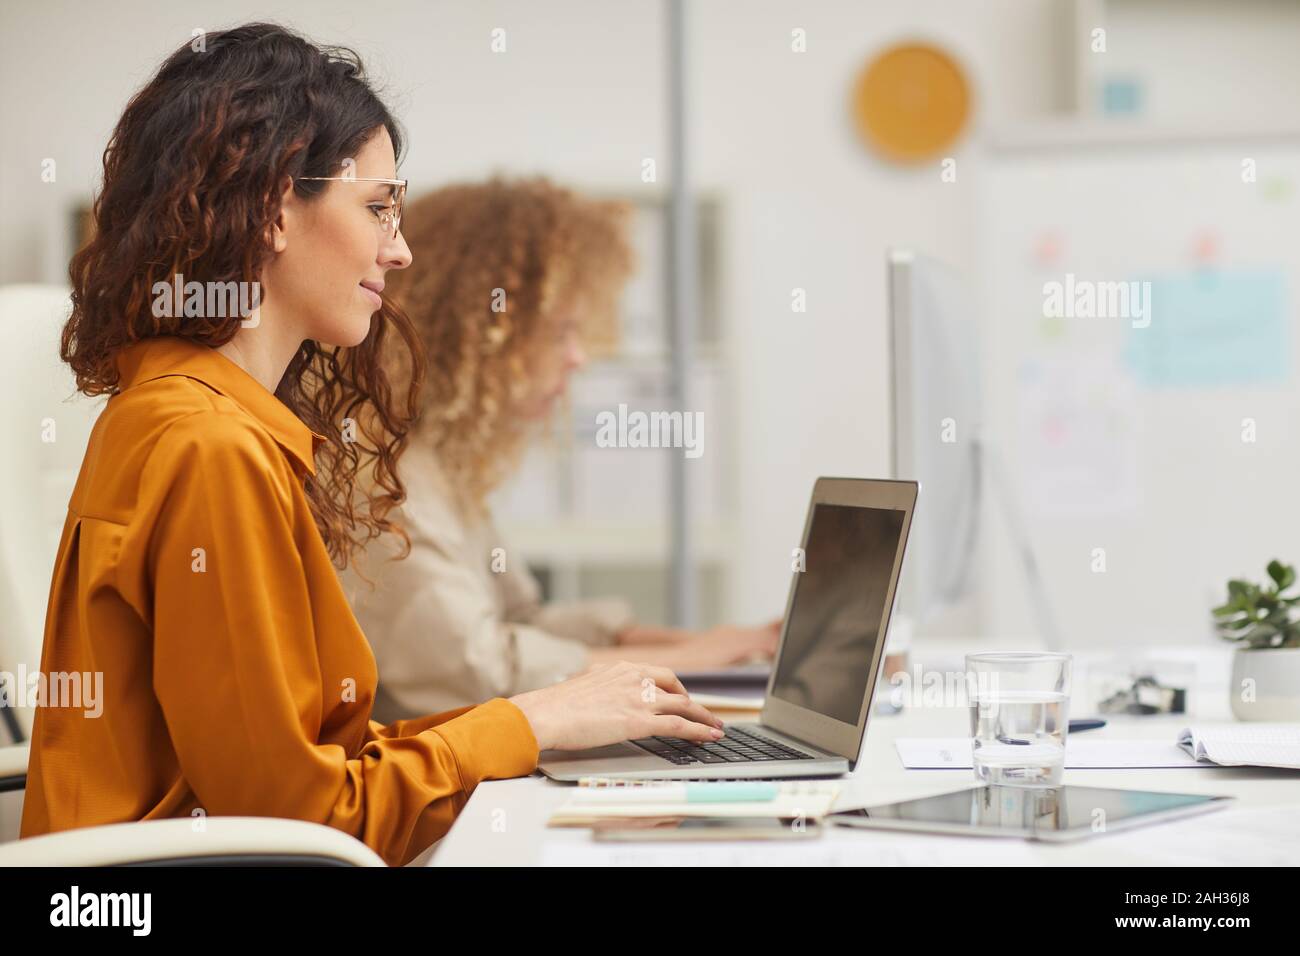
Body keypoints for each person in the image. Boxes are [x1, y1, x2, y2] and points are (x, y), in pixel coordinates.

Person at [20, 23, 722, 867]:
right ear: (278, 208)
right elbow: (301, 819)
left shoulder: (186, 414)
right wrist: (529, 723)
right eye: (378, 207)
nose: (401, 248)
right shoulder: (211, 447)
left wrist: (545, 728)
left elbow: (309, 771)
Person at [346, 177, 778, 720]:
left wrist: (646, 639)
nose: (577, 358)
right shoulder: (385, 475)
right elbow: (477, 671)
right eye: (559, 333)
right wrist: (695, 656)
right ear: (481, 332)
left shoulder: (435, 461)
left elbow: (518, 619)